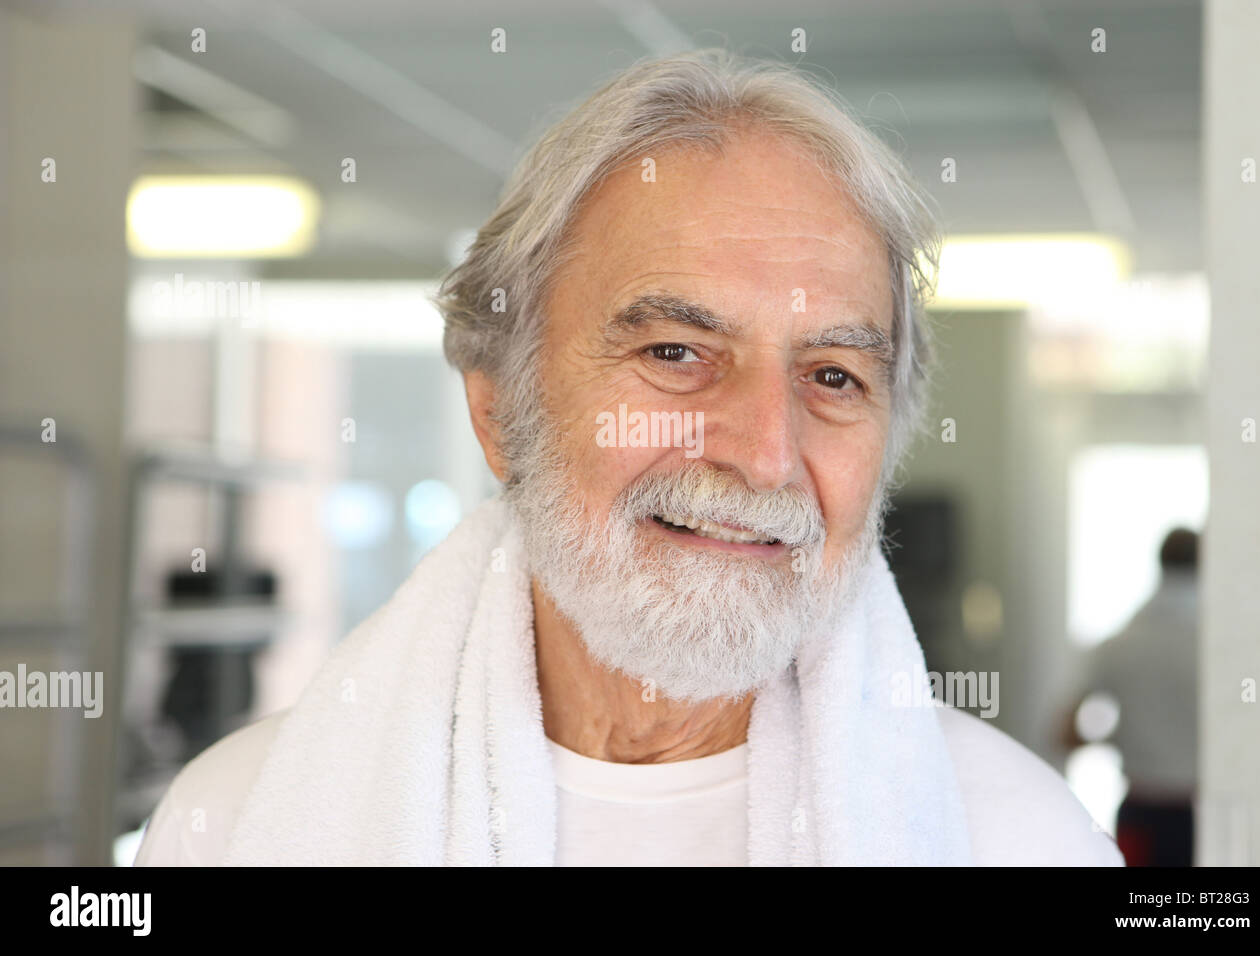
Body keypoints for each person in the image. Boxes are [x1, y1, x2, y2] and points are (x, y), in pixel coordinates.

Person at [136, 48, 1120, 866]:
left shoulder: (1020, 839)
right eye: (676, 354)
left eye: (830, 376)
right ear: (497, 413)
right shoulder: (235, 826)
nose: (766, 454)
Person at [1084, 528, 1199, 866]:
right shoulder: (1214, 644)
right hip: (1197, 811)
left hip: (1141, 810)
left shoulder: (1121, 641)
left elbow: (1067, 729)